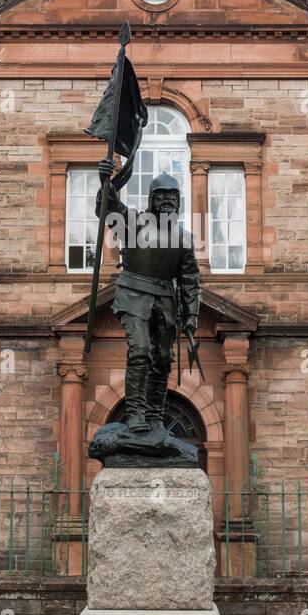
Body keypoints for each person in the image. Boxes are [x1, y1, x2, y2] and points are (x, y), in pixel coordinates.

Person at [97, 160, 201, 436]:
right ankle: (135, 415)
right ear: (152, 199)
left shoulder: (184, 237)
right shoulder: (133, 223)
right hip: (133, 293)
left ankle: (155, 416)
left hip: (165, 299)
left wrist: (191, 314)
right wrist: (106, 180)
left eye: (172, 196)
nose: (167, 201)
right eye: (162, 196)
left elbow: (190, 279)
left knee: (164, 358)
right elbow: (107, 209)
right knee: (141, 351)